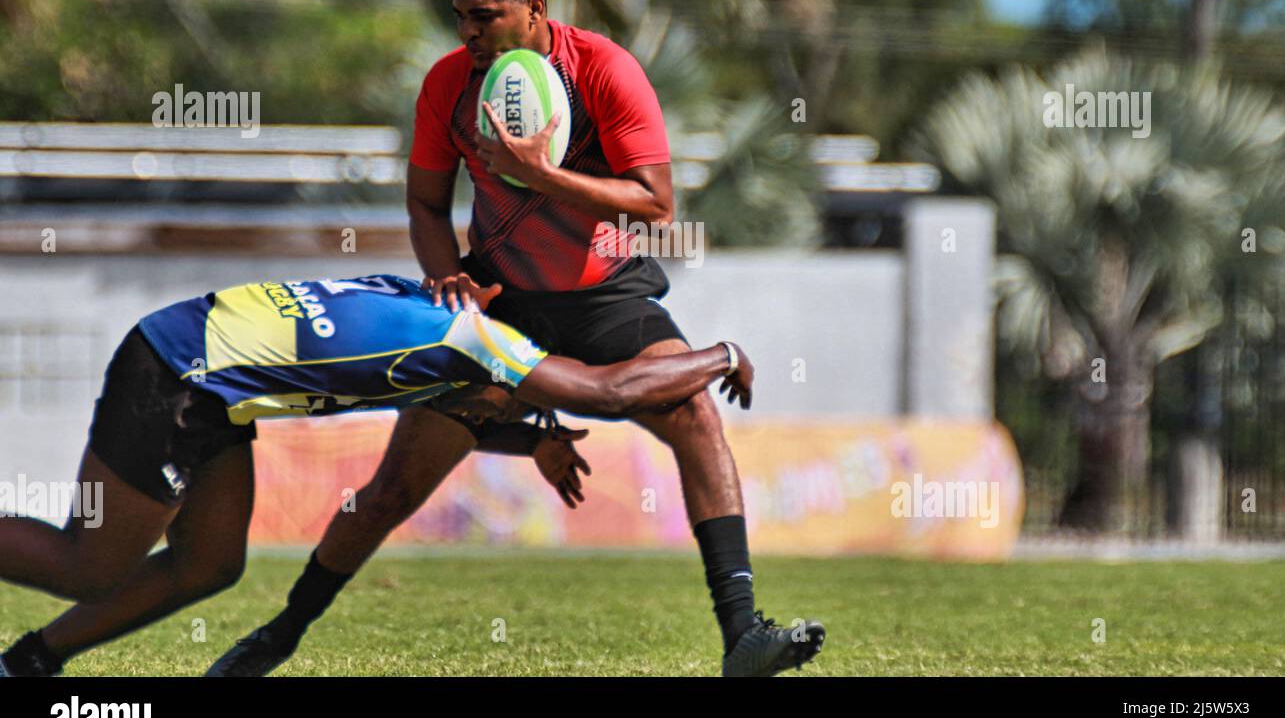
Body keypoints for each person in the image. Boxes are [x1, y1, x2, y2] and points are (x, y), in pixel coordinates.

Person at [211, 0, 828, 678]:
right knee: (393, 489)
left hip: (608, 298)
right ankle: (277, 636)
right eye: (460, 17)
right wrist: (448, 280)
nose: (468, 33)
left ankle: (742, 634)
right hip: (501, 301)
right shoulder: (448, 84)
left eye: (485, 17)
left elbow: (656, 204)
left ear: (535, 9)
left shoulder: (604, 70)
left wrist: (543, 175)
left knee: (696, 415)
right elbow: (425, 204)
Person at [0, 272, 753, 677]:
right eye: (505, 408)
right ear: (503, 374)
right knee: (89, 565)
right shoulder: (482, 347)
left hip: (209, 376)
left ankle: (32, 661)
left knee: (211, 563)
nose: (475, 422)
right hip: (177, 375)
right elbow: (611, 392)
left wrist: (532, 444)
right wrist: (720, 356)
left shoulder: (432, 313)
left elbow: (461, 404)